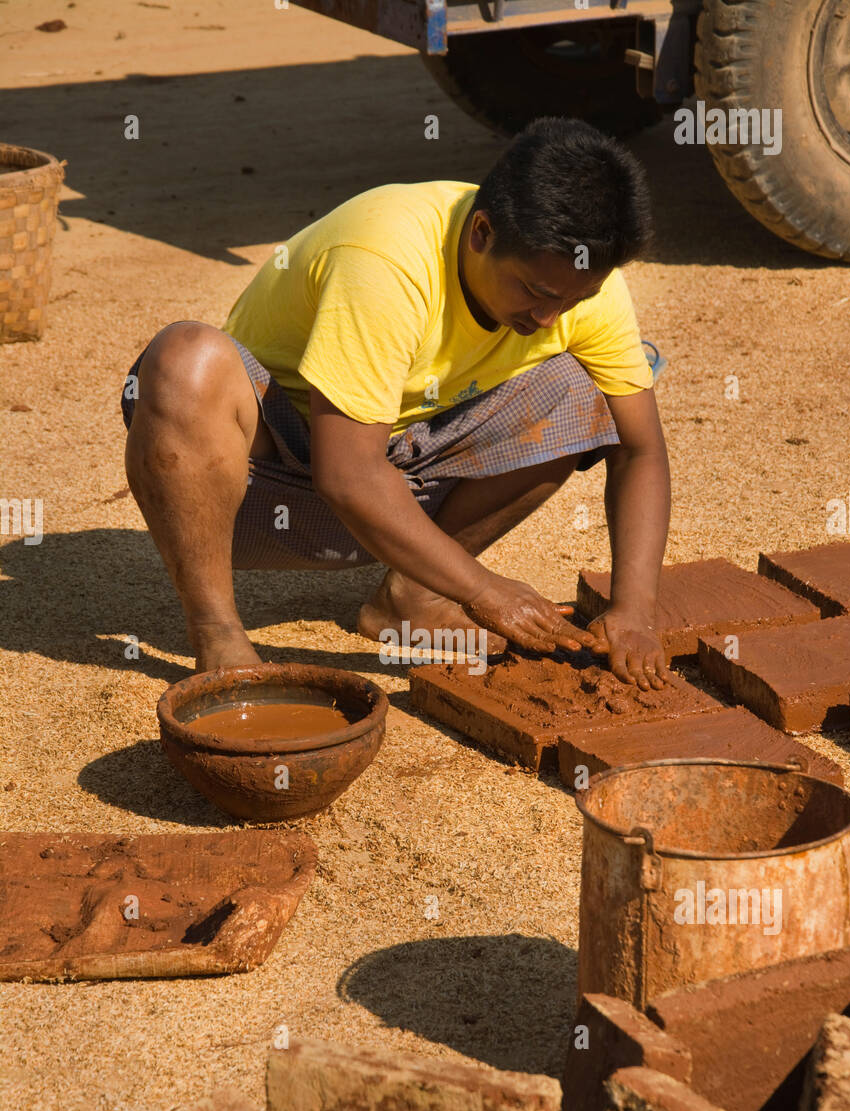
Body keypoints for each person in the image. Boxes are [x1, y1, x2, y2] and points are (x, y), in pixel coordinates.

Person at [121, 116, 671, 689]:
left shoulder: (576, 285)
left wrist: (633, 608)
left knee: (591, 392)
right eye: (535, 293)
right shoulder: (387, 256)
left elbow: (641, 451)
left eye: (576, 298)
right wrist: (483, 588)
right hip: (262, 488)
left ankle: (414, 595)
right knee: (184, 358)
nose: (549, 318)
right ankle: (218, 635)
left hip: (400, 483)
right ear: (481, 233)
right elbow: (349, 475)